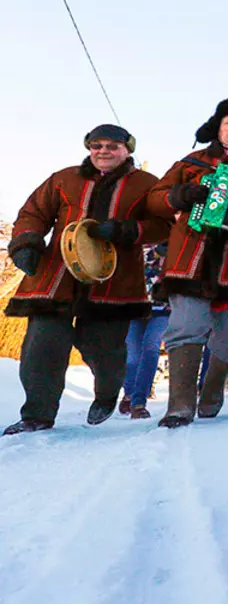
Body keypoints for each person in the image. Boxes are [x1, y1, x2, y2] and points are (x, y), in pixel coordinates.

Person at [3, 125, 169, 435]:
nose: (103, 151)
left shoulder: (147, 184)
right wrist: (27, 243)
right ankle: (36, 415)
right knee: (42, 347)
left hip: (114, 280)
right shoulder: (65, 178)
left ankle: (106, 395)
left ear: (127, 150)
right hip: (56, 277)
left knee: (103, 349)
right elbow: (34, 212)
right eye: (97, 145)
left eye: (112, 146)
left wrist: (126, 230)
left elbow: (163, 225)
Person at [145, 98, 228, 428]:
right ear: (217, 127)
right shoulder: (191, 162)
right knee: (185, 328)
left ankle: (212, 388)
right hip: (190, 260)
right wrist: (181, 196)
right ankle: (179, 406)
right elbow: (155, 199)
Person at [119, 242, 170, 419]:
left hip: (163, 306)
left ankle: (138, 401)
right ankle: (129, 393)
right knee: (132, 354)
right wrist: (154, 253)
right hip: (135, 305)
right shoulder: (132, 238)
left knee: (151, 347)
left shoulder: (173, 235)